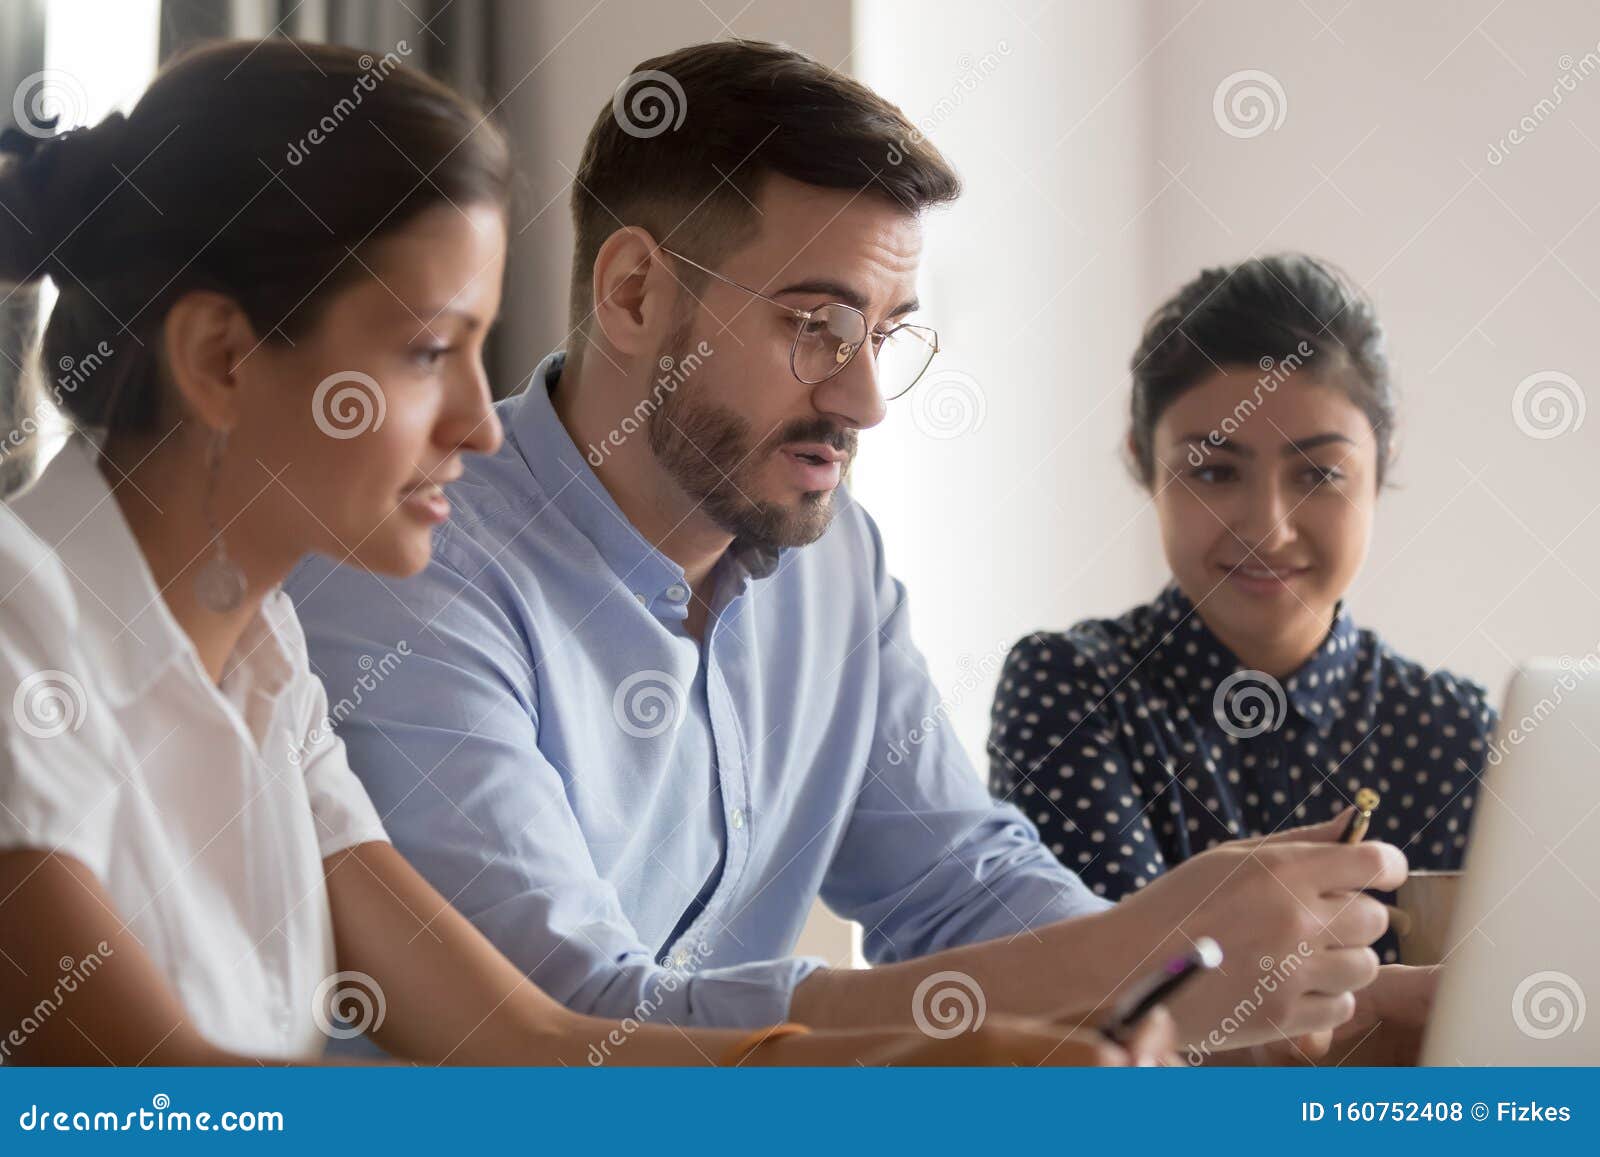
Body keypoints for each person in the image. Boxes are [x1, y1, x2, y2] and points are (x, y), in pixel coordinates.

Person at [0, 37, 1168, 1068]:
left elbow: (532, 1043)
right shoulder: (20, 634)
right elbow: (163, 1107)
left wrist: (920, 1058)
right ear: (219, 358)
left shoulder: (269, 661)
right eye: (428, 352)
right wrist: (884, 1082)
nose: (478, 422)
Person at [287, 40, 1402, 1053]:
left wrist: (1227, 984)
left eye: (886, 333)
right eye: (814, 326)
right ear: (632, 295)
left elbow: (959, 882)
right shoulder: (402, 564)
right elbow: (572, 1023)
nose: (864, 399)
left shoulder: (835, 563)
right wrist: (1135, 960)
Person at [989, 254, 1495, 967]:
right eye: (1214, 471)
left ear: (1383, 464)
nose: (1268, 529)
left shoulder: (1455, 730)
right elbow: (1099, 995)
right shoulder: (1072, 689)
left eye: (1317, 473)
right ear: (1145, 463)